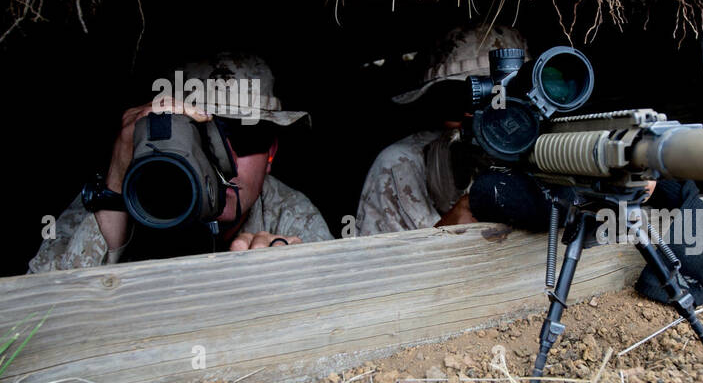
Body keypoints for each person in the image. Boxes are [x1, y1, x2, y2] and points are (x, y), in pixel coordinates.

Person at [28, 52, 332, 272]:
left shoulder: (289, 212)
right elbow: (36, 321)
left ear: (271, 153)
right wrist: (119, 182)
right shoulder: (110, 195)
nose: (224, 162)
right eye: (202, 139)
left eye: (245, 138)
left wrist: (294, 279)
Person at [355, 23, 528, 235]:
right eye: (459, 101)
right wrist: (444, 233)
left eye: (507, 101)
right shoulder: (400, 164)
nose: (482, 118)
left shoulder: (554, 152)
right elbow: (377, 263)